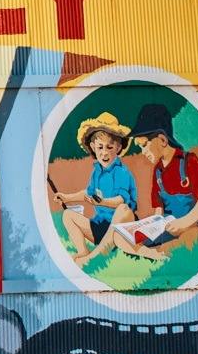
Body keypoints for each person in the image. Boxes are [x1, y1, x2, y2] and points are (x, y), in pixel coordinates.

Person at [52, 112, 138, 266]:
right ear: (93, 147)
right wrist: (67, 198)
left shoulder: (121, 172)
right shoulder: (97, 171)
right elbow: (88, 193)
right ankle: (82, 251)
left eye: (109, 147)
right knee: (68, 215)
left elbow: (121, 200)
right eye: (100, 147)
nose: (104, 152)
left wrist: (103, 202)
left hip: (121, 227)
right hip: (101, 226)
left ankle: (94, 258)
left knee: (123, 209)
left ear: (118, 147)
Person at [131, 102, 198, 255]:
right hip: (168, 227)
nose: (143, 152)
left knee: (189, 239)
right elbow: (159, 209)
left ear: (163, 140)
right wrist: (152, 227)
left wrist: (184, 222)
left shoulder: (189, 162)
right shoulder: (157, 171)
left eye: (144, 145)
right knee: (131, 240)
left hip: (193, 225)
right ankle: (151, 252)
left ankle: (158, 253)